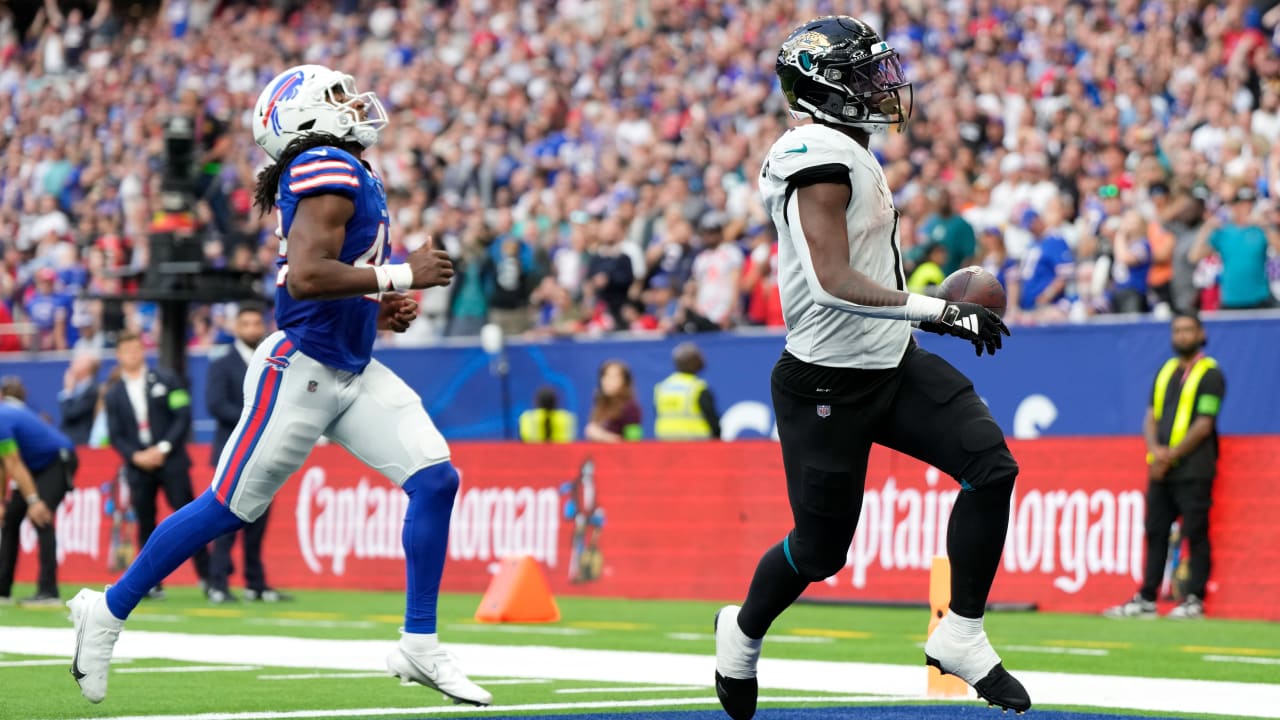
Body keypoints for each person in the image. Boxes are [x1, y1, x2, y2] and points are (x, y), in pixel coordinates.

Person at [67, 65, 491, 707]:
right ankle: (106, 612)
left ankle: (420, 645)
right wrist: (400, 274)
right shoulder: (326, 165)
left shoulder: (350, 169)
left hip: (350, 364)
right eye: (338, 96)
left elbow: (337, 275)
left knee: (435, 477)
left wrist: (383, 303)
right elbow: (306, 278)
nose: (354, 103)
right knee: (226, 508)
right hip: (300, 370)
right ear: (305, 115)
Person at [714, 17, 1027, 720]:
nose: (878, 86)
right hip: (825, 380)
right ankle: (741, 631)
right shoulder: (814, 157)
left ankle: (963, 632)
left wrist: (924, 310)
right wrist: (939, 312)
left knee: (992, 467)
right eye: (861, 74)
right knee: (822, 551)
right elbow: (830, 279)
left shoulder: (844, 146)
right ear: (824, 88)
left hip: (889, 362)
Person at [1104, 313, 1224, 619]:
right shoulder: (1166, 370)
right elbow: (1150, 416)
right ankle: (1147, 598)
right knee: (1155, 531)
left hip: (1195, 469)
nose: (1182, 335)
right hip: (1160, 469)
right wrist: (1155, 452)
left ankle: (1193, 599)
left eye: (1188, 330)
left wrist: (1169, 456)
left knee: (1195, 532)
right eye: (1177, 330)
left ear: (1200, 334)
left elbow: (1204, 424)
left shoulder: (1211, 374)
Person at [103, 330, 208, 599]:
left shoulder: (167, 379)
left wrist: (163, 448)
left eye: (136, 349)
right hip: (139, 466)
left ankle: (209, 579)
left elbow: (182, 416)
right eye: (126, 351)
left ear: (143, 351)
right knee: (146, 523)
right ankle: (150, 583)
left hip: (171, 460)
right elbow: (116, 434)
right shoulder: (113, 394)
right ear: (118, 356)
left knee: (190, 518)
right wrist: (136, 456)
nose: (132, 355)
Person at [204, 303, 291, 604]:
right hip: (232, 451)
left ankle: (255, 583)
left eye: (257, 323)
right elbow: (216, 404)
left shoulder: (276, 362)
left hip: (267, 453)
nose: (253, 329)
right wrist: (254, 419)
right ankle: (217, 583)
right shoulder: (222, 363)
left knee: (258, 523)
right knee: (224, 520)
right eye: (246, 323)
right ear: (236, 328)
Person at [0, 377, 78, 606]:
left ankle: (48, 591)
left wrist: (34, 500)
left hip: (58, 460)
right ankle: (2, 590)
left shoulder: (2, 418)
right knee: (11, 518)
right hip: (35, 467)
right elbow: (3, 466)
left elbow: (13, 464)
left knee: (40, 516)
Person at [653, 342, 721, 440]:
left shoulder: (662, 387)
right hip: (696, 443)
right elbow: (712, 419)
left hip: (666, 442)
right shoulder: (698, 388)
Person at [583, 360, 642, 442]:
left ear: (624, 381)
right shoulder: (600, 405)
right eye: (605, 375)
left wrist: (602, 436)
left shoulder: (631, 408)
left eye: (614, 376)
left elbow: (634, 442)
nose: (608, 381)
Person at [58, 353, 102, 446]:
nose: (72, 363)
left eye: (78, 362)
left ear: (87, 368)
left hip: (82, 444)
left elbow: (70, 414)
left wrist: (67, 392)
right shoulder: (78, 388)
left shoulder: (93, 390)